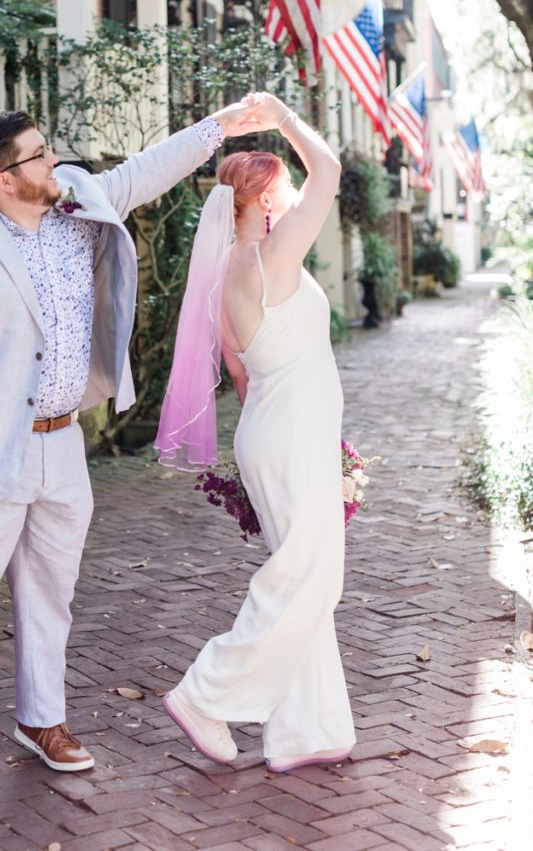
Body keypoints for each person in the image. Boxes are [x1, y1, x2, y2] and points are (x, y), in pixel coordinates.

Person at [0, 98, 276, 799]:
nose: (56, 160)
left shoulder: (77, 203)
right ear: (5, 180)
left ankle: (41, 719)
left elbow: (144, 172)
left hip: (64, 442)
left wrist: (219, 128)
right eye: (40, 154)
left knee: (52, 594)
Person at [155, 93, 354, 773]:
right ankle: (205, 693)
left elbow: (242, 376)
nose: (293, 196)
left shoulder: (227, 275)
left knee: (303, 575)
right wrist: (285, 119)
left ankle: (308, 729)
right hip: (290, 431)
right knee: (308, 577)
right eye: (283, 189)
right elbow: (329, 170)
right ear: (266, 199)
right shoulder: (273, 257)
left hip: (274, 427)